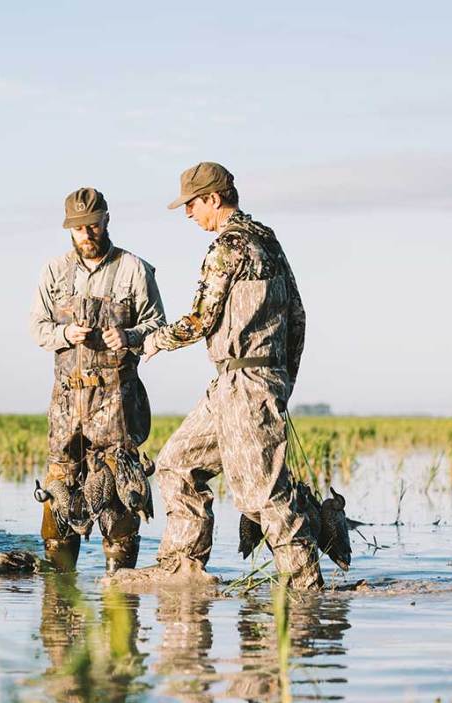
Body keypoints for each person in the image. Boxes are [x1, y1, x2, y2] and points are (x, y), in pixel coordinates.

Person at [108, 162, 322, 590]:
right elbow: (298, 317)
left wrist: (147, 341)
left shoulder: (229, 245)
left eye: (191, 204)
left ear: (213, 199)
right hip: (238, 383)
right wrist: (283, 382)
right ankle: (182, 567)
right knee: (175, 464)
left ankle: (306, 589)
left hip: (246, 386)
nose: (188, 214)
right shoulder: (269, 240)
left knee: (263, 493)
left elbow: (201, 319)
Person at [29, 187, 166, 571]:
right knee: (60, 490)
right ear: (68, 229)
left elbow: (158, 324)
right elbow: (37, 328)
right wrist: (64, 335)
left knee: (120, 498)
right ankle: (58, 595)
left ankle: (120, 601)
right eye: (77, 228)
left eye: (92, 225)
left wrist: (130, 336)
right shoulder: (53, 272)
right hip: (66, 405)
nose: (86, 234)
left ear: (106, 220)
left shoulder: (134, 269)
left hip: (117, 405)